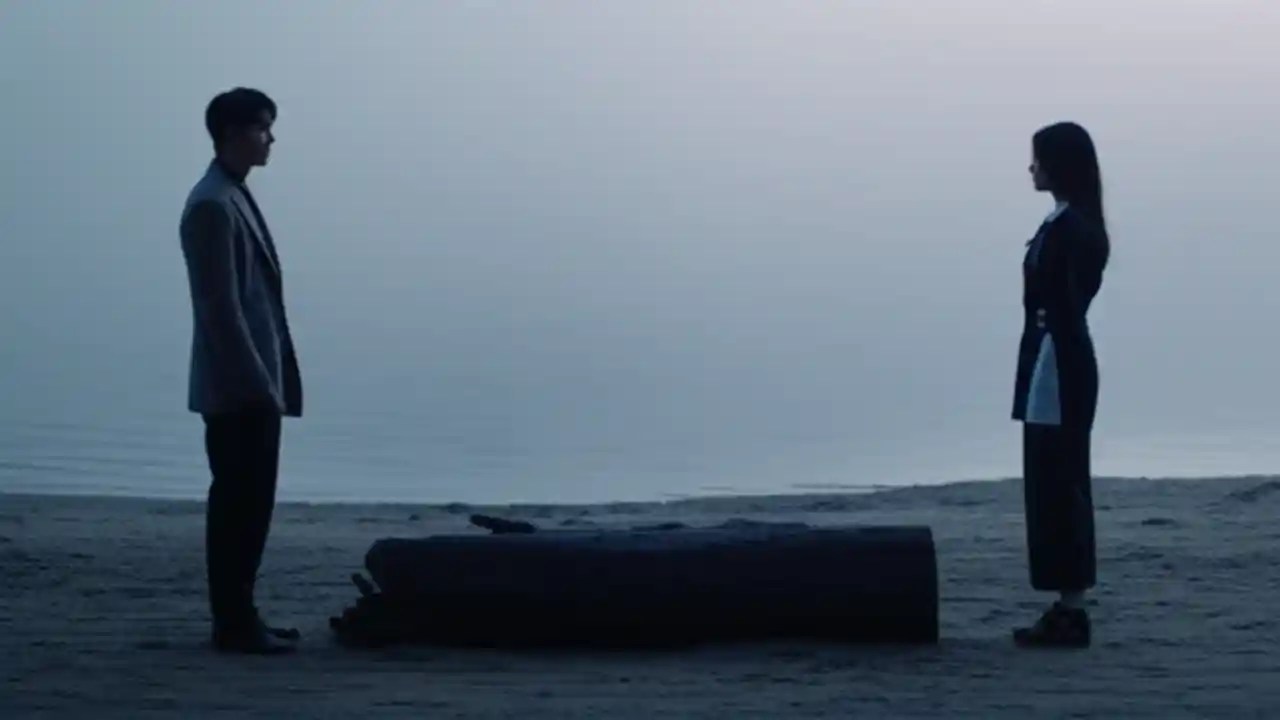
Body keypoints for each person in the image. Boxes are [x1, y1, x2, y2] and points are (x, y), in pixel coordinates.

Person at [179, 87, 303, 654]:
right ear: (232, 132)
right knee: (239, 506)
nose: (270, 138)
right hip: (239, 389)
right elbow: (219, 310)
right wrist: (258, 385)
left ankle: (240, 616)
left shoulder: (231, 195)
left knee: (250, 505)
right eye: (262, 127)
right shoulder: (211, 204)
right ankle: (233, 623)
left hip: (251, 384)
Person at [1010, 121, 1110, 648]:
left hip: (1060, 363)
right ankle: (1065, 602)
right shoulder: (1064, 222)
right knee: (1048, 481)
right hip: (1049, 360)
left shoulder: (1075, 229)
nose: (1032, 168)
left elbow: (1067, 306)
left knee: (1062, 480)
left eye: (1038, 158)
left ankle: (1072, 608)